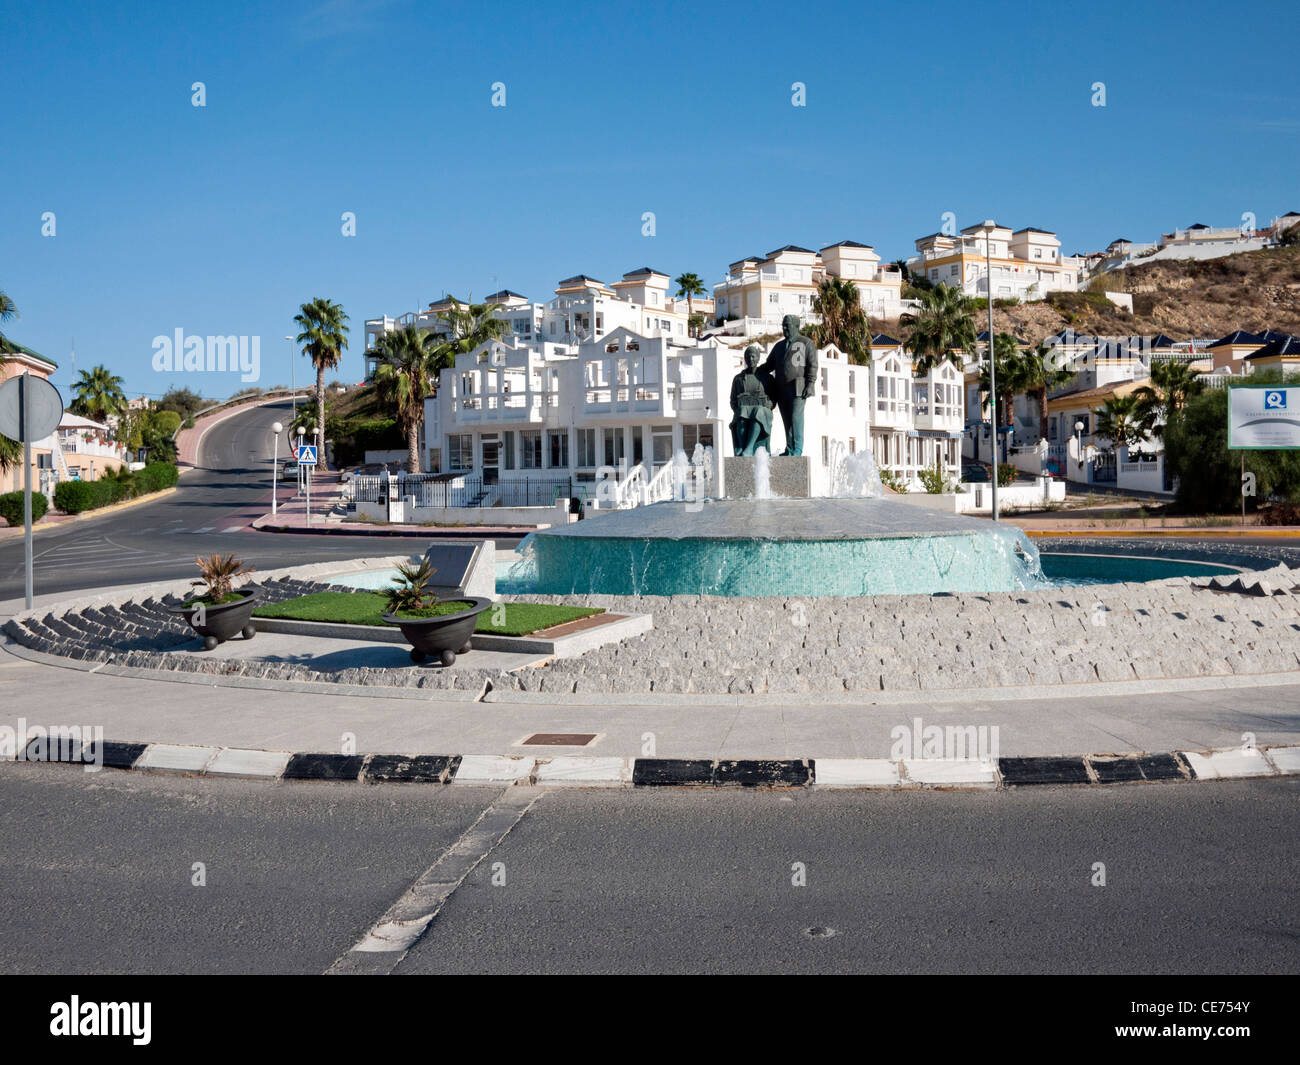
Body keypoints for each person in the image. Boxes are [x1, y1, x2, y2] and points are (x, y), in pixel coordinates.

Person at [762, 315, 817, 456]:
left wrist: (810, 384)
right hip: (781, 389)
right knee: (786, 420)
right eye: (783, 325)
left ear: (796, 327)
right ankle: (790, 448)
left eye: (787, 325)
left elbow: (812, 365)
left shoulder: (806, 343)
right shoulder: (779, 346)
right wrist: (754, 371)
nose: (784, 328)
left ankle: (797, 449)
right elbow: (769, 365)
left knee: (795, 418)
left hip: (798, 388)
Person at [728, 344, 777, 455]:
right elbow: (733, 400)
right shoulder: (738, 379)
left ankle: (749, 447)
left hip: (764, 412)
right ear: (745, 359)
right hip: (743, 411)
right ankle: (741, 446)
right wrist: (736, 407)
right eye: (748, 357)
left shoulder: (767, 378)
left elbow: (773, 398)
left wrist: (769, 404)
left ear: (758, 358)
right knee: (741, 412)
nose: (751, 359)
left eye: (753, 356)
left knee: (758, 412)